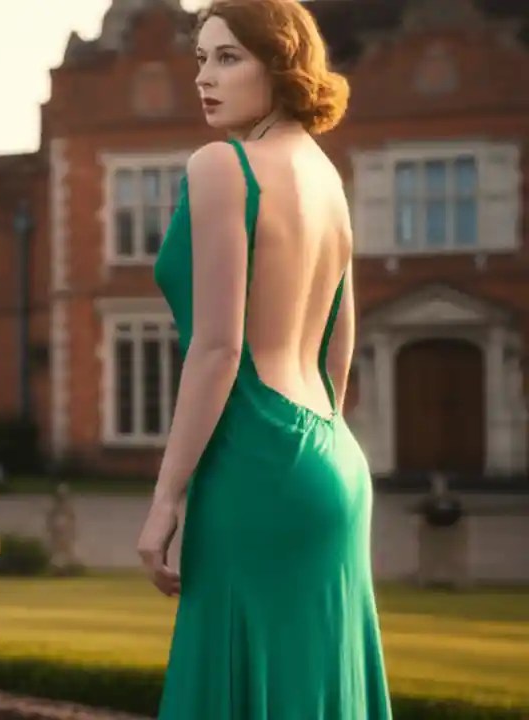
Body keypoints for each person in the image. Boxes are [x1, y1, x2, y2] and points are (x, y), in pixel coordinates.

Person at [135, 0, 392, 716]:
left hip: (256, 461)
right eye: (200, 59)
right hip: (333, 461)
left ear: (280, 66)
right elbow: (338, 351)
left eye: (228, 58)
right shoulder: (329, 180)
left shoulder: (223, 166)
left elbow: (219, 349)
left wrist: (166, 498)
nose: (204, 78)